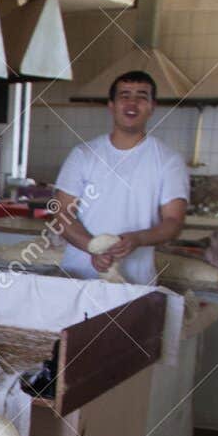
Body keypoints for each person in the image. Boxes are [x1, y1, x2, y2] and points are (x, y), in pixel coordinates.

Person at [51, 70, 188, 284]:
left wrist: (138, 238)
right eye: (124, 96)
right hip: (76, 278)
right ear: (111, 105)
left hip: (136, 282)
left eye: (141, 97)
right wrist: (91, 248)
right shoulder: (84, 154)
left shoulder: (168, 160)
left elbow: (174, 221)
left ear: (152, 106)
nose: (132, 104)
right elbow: (62, 213)